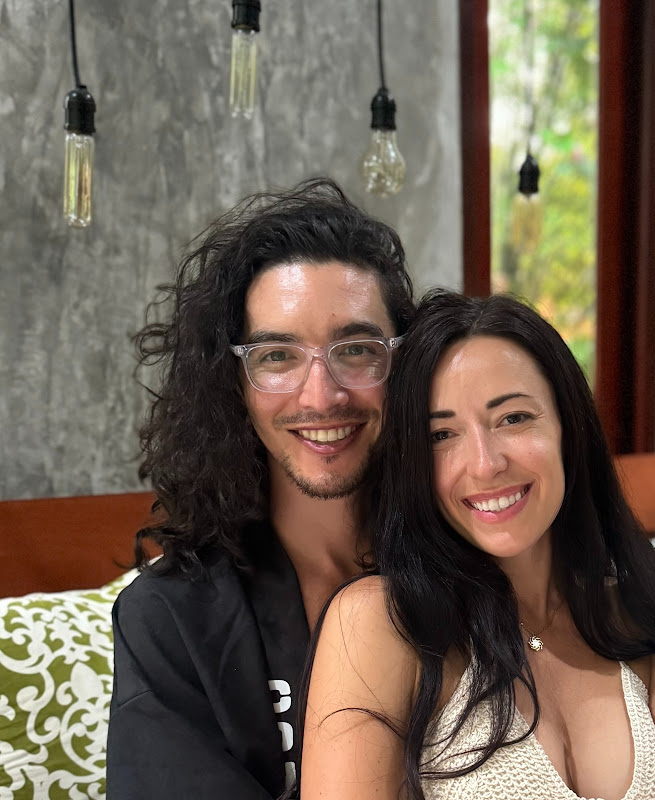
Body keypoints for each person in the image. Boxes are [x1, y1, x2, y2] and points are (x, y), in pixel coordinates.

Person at [300, 290, 655, 800]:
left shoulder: (637, 617)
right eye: (441, 435)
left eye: (513, 418)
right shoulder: (381, 623)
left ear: (568, 428)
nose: (485, 464)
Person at [106, 178, 415, 799]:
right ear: (233, 383)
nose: (322, 395)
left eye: (357, 349)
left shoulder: (471, 564)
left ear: (407, 362)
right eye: (277, 356)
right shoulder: (172, 617)